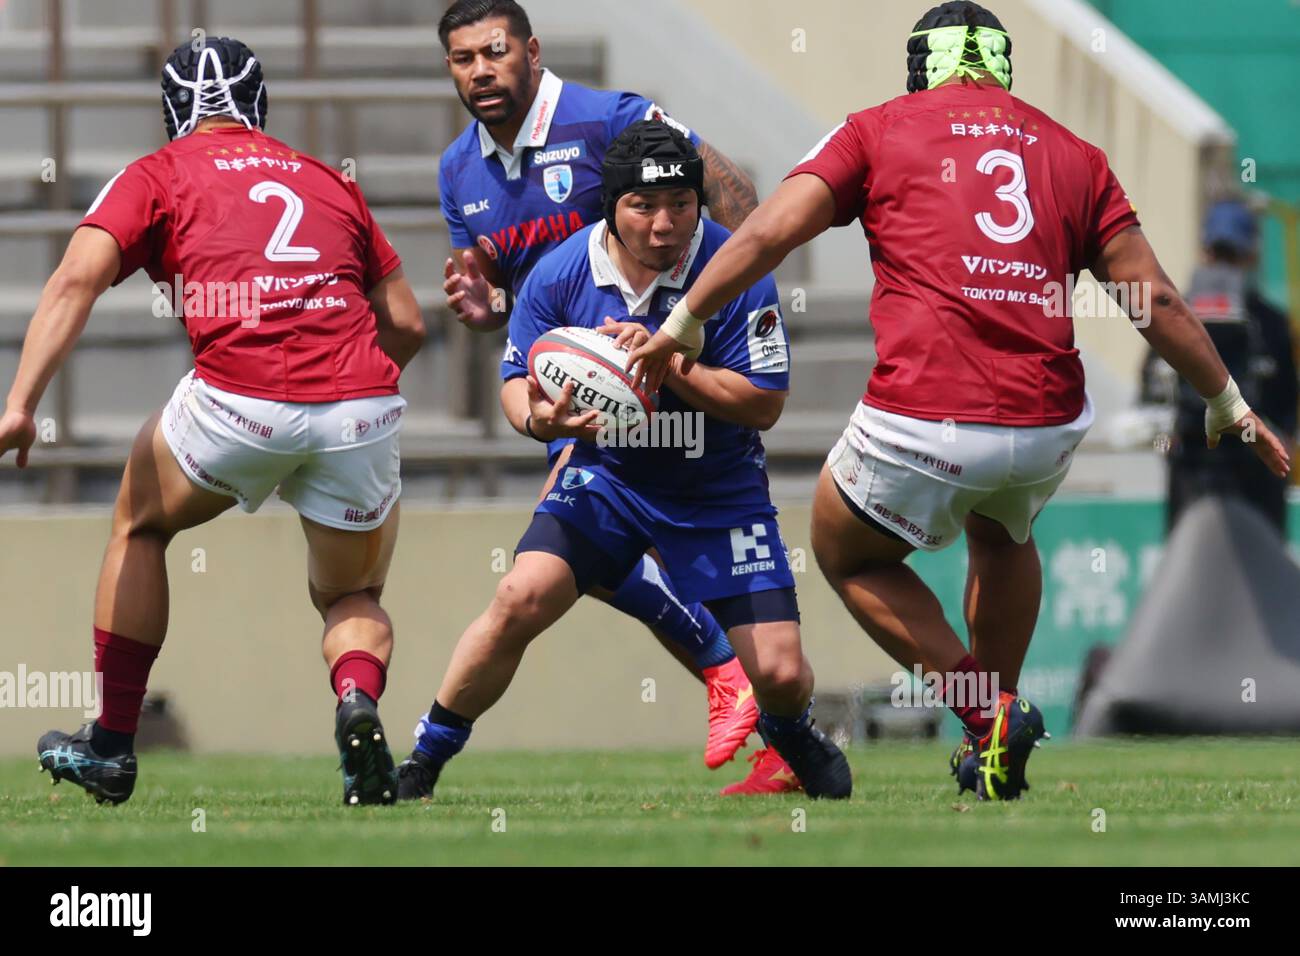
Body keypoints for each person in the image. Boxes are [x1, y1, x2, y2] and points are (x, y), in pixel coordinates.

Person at [627, 1, 1291, 800]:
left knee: (846, 551)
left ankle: (986, 715)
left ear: (920, 66)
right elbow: (1156, 298)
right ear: (1003, 67)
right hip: (1047, 424)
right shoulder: (1075, 152)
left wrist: (683, 322)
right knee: (1003, 534)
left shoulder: (876, 128)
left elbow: (770, 231)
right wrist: (1226, 401)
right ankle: (994, 752)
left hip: (925, 414)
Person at [0, 38, 427, 806]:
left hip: (239, 402)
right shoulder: (326, 178)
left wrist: (21, 405)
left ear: (171, 110)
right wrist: (339, 401)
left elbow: (74, 281)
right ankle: (356, 701)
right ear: (260, 103)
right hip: (358, 403)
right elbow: (406, 324)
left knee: (140, 524)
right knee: (351, 596)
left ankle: (111, 746)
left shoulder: (156, 173)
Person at [395, 121, 851, 801]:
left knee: (781, 674)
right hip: (608, 478)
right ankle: (422, 762)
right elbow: (516, 382)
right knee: (519, 596)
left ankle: (790, 732)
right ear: (612, 206)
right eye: (644, 207)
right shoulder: (561, 272)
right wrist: (538, 420)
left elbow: (763, 404)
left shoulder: (734, 269)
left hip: (717, 487)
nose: (665, 225)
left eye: (681, 205)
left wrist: (668, 363)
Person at [435, 0, 769, 774]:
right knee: (602, 559)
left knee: (564, 558)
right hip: (581, 393)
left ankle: (733, 676)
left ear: (532, 51)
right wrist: (488, 309)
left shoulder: (609, 120)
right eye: (463, 58)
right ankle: (777, 729)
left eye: (495, 51)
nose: (481, 70)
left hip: (668, 378)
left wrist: (692, 323)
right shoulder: (457, 169)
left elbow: (740, 205)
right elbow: (509, 301)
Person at [1140, 199, 1297, 534]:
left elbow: (1288, 403)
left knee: (1226, 557)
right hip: (1216, 465)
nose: (1224, 266)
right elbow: (1288, 406)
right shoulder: (1269, 322)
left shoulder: (1175, 316)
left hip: (1228, 467)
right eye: (1220, 254)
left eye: (1229, 254)